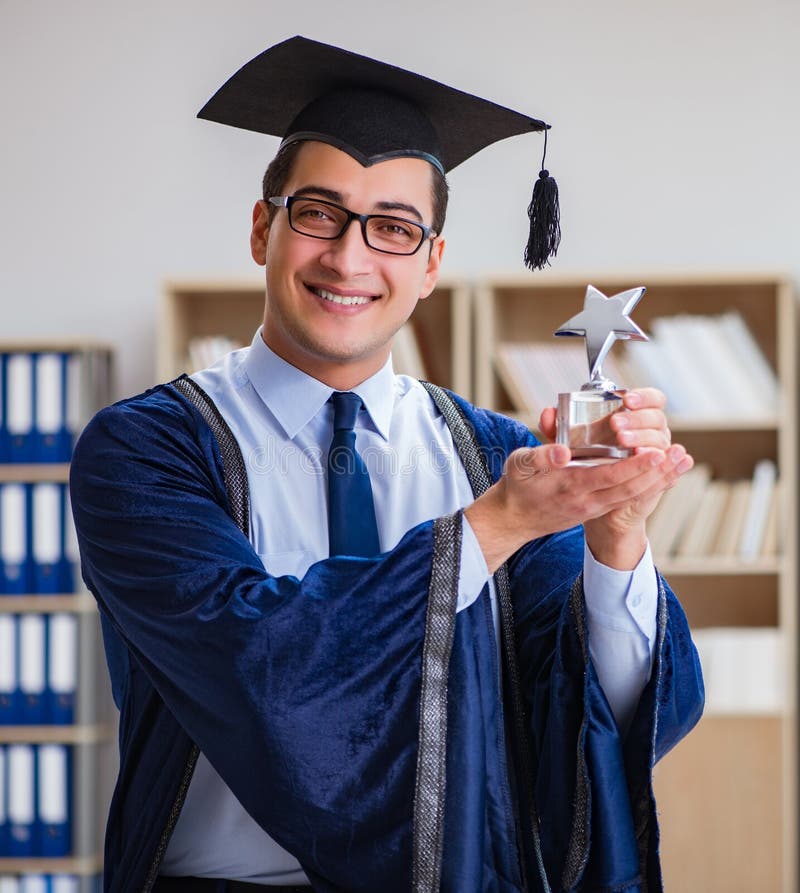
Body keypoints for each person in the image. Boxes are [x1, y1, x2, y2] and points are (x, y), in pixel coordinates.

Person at [69, 35, 704, 893]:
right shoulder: (146, 450)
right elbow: (265, 676)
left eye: (395, 229)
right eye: (319, 213)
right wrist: (495, 529)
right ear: (264, 229)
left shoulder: (493, 456)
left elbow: (597, 718)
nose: (349, 257)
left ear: (433, 263)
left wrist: (616, 542)